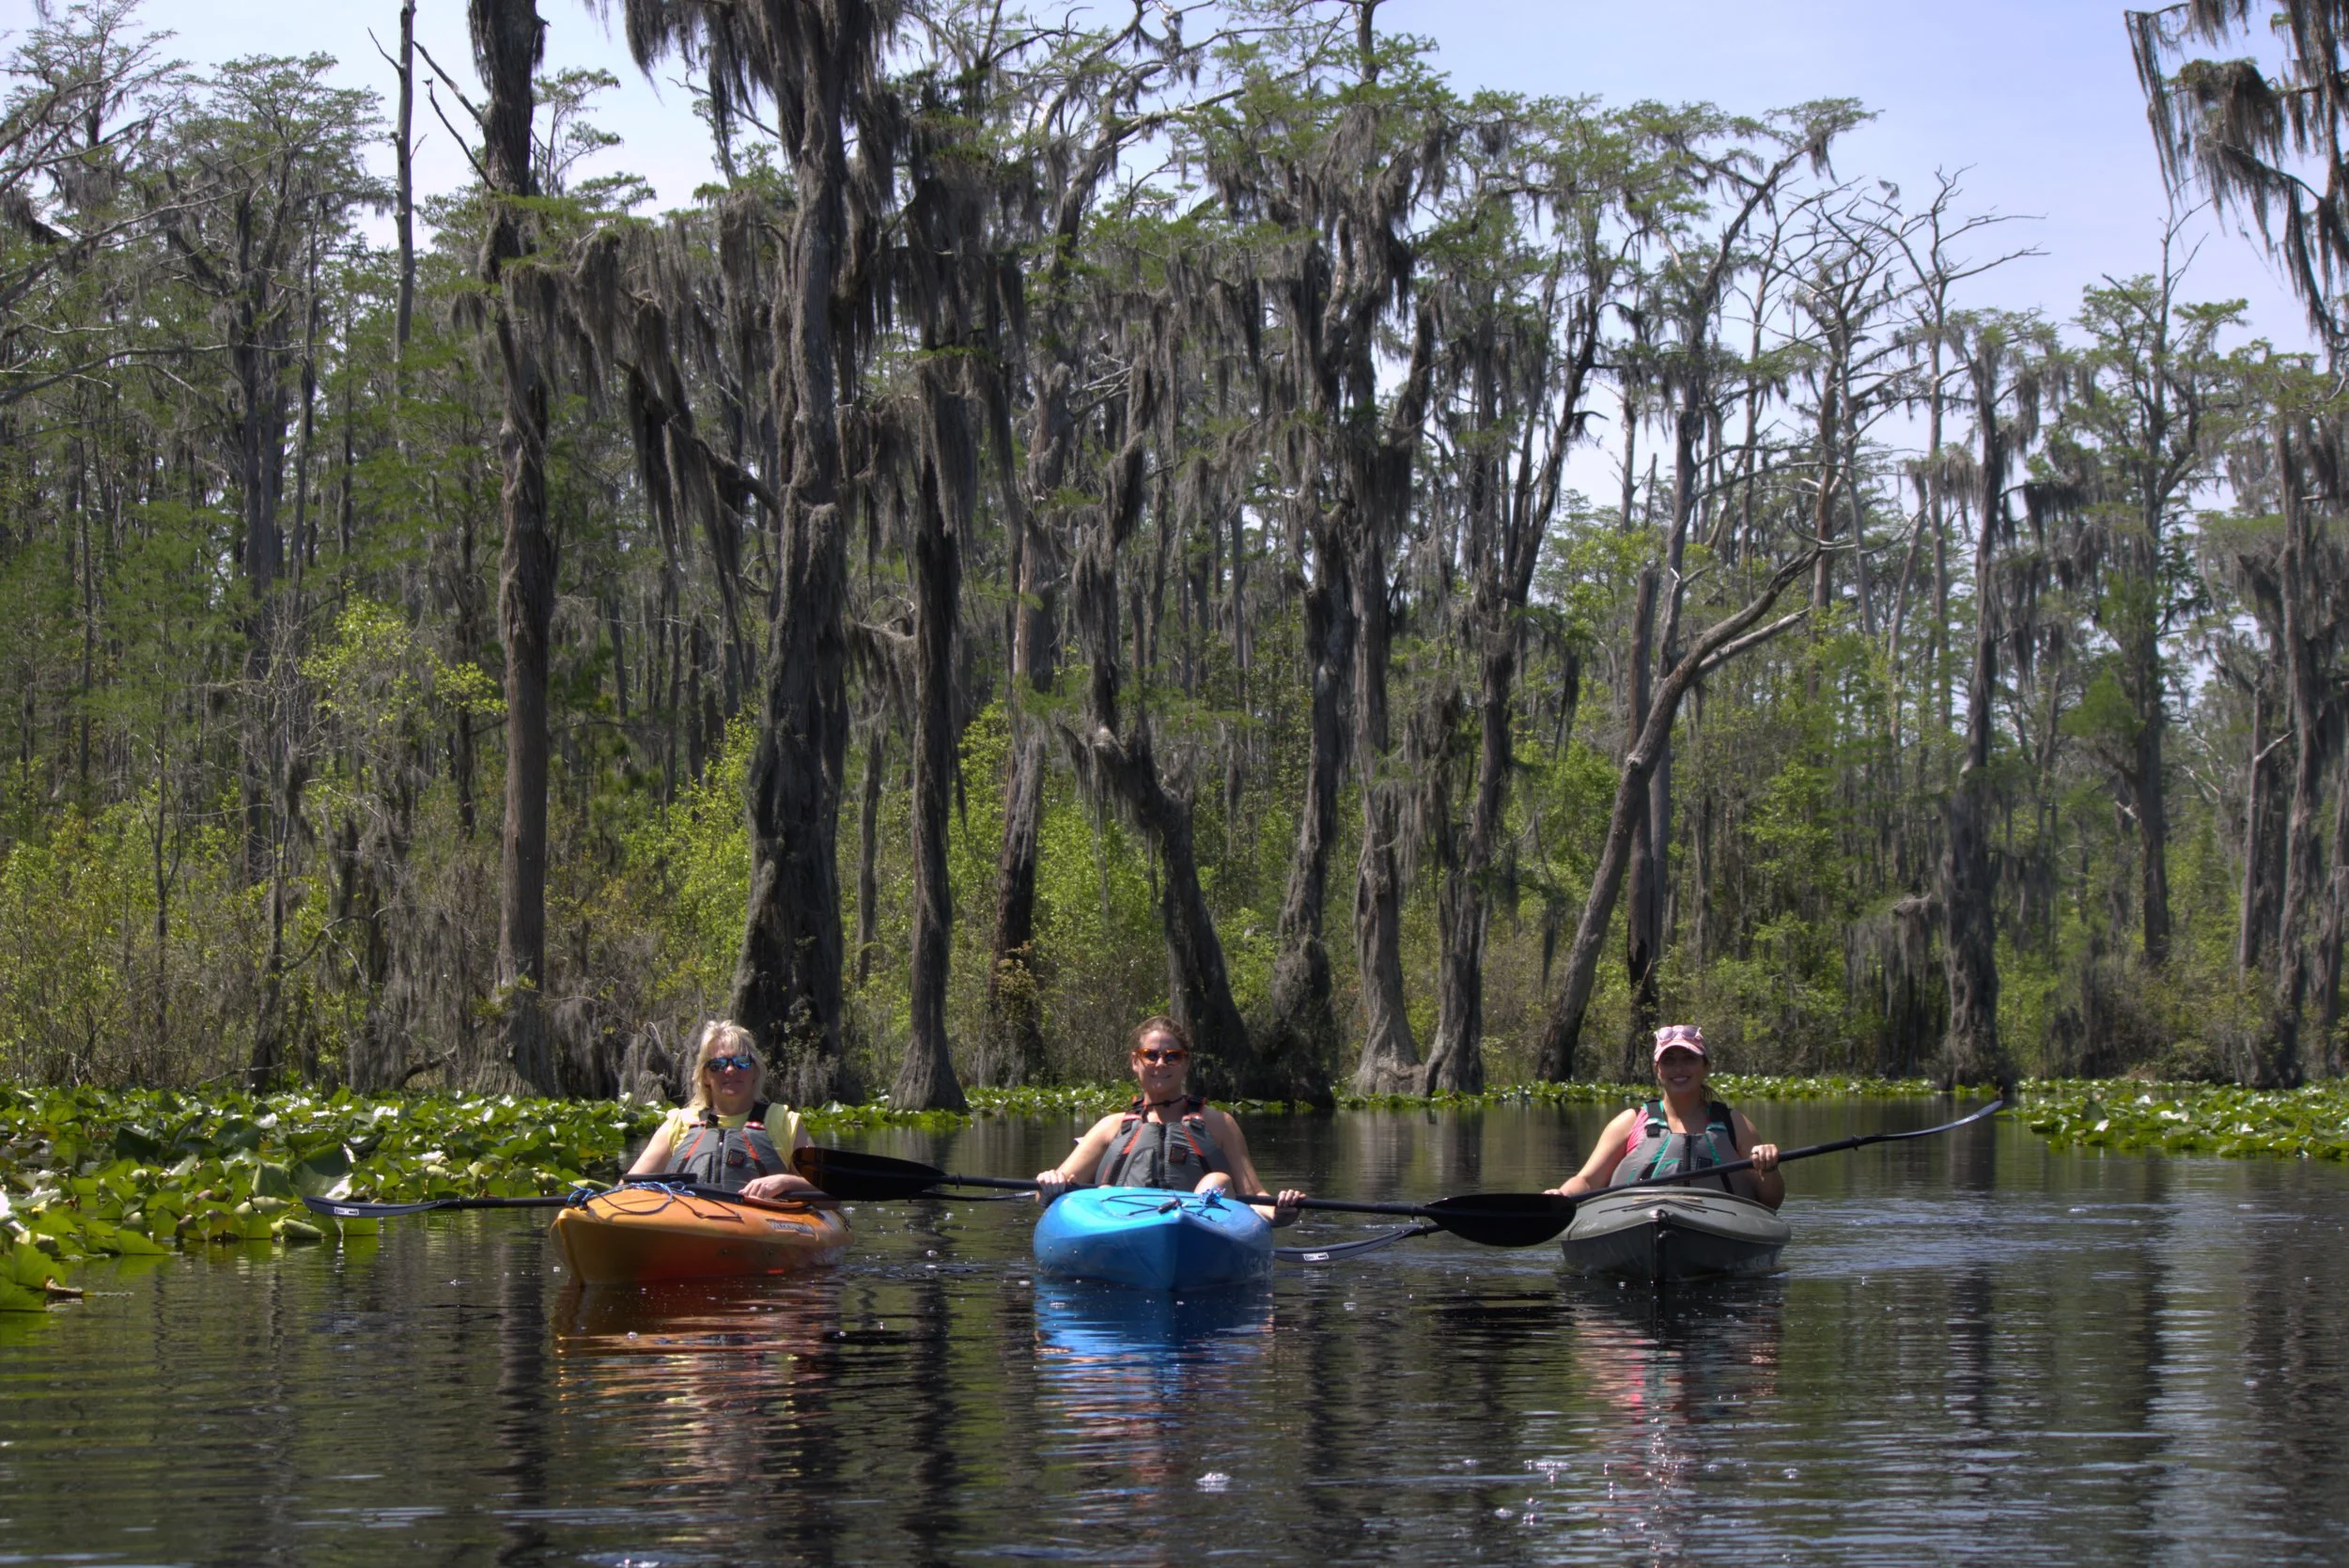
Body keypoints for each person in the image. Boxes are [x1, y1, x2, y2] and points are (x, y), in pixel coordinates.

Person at [1035, 1017, 1305, 1224]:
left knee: (1218, 1181)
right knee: (1104, 1190)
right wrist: (1050, 1183)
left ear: (1185, 1063)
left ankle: (1193, 1223)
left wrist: (1279, 1211)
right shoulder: (1110, 1127)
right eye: (1150, 1055)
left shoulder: (1220, 1124)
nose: (1160, 1064)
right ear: (1135, 1061)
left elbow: (1255, 1196)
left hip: (1202, 1231)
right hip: (1124, 1228)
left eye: (1172, 1056)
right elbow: (1044, 1193)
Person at [1548, 1024, 1783, 1208]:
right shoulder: (1629, 1122)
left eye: (1689, 1059)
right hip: (1638, 1221)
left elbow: (1771, 1201)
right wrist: (1561, 1194)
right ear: (1657, 1070)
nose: (1679, 1069)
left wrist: (1769, 1168)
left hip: (1720, 1224)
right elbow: (1587, 1181)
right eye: (1669, 1061)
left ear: (1705, 1066)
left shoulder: (1736, 1124)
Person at [628, 1019, 821, 1203]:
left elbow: (828, 1189)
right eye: (718, 1065)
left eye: (742, 1062)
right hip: (690, 1220)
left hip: (762, 1221)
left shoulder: (785, 1122)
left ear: (755, 1071)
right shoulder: (678, 1123)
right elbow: (627, 1188)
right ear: (705, 1076)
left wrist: (786, 1182)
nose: (730, 1070)